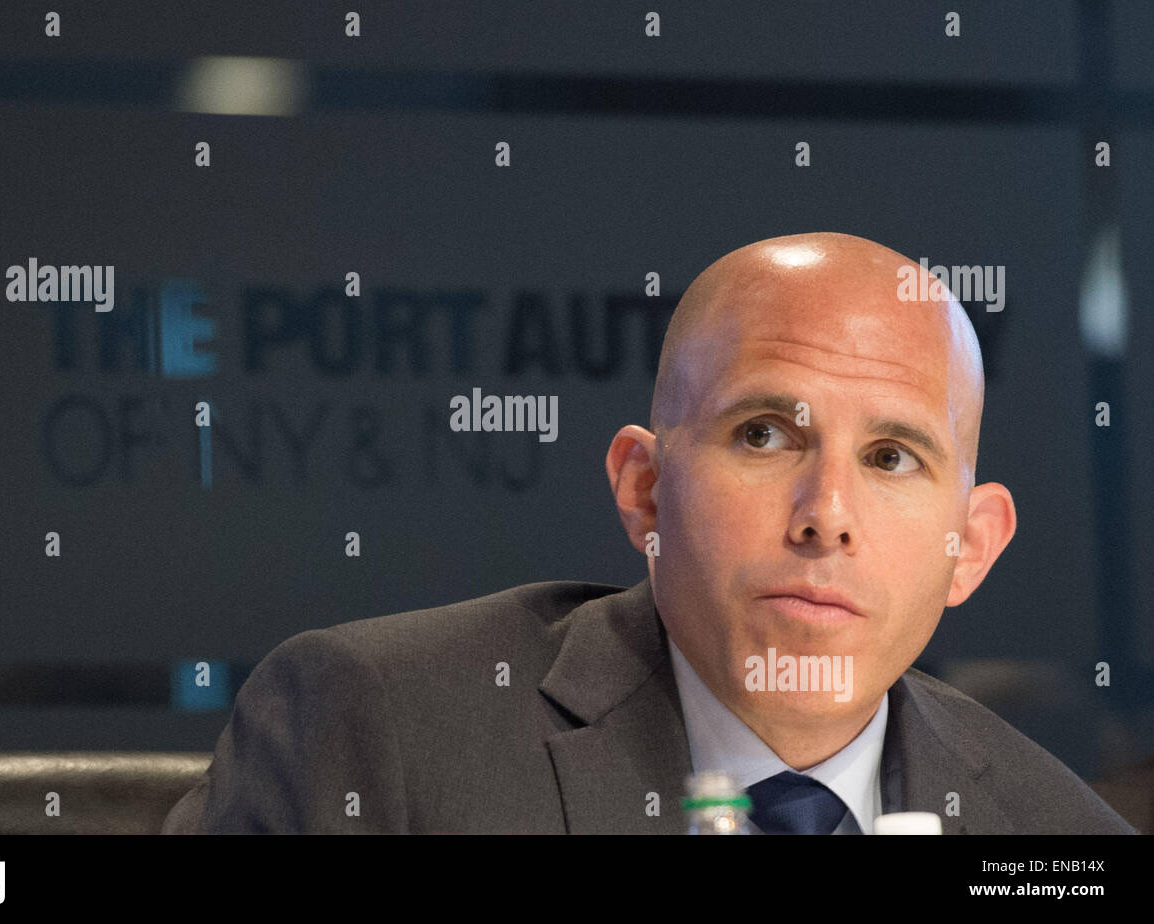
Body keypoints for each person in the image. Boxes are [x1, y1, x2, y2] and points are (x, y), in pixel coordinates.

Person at [162, 232, 1135, 834]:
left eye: (890, 458)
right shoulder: (372, 734)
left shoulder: (1060, 836)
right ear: (643, 490)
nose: (825, 515)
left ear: (970, 544)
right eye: (763, 434)